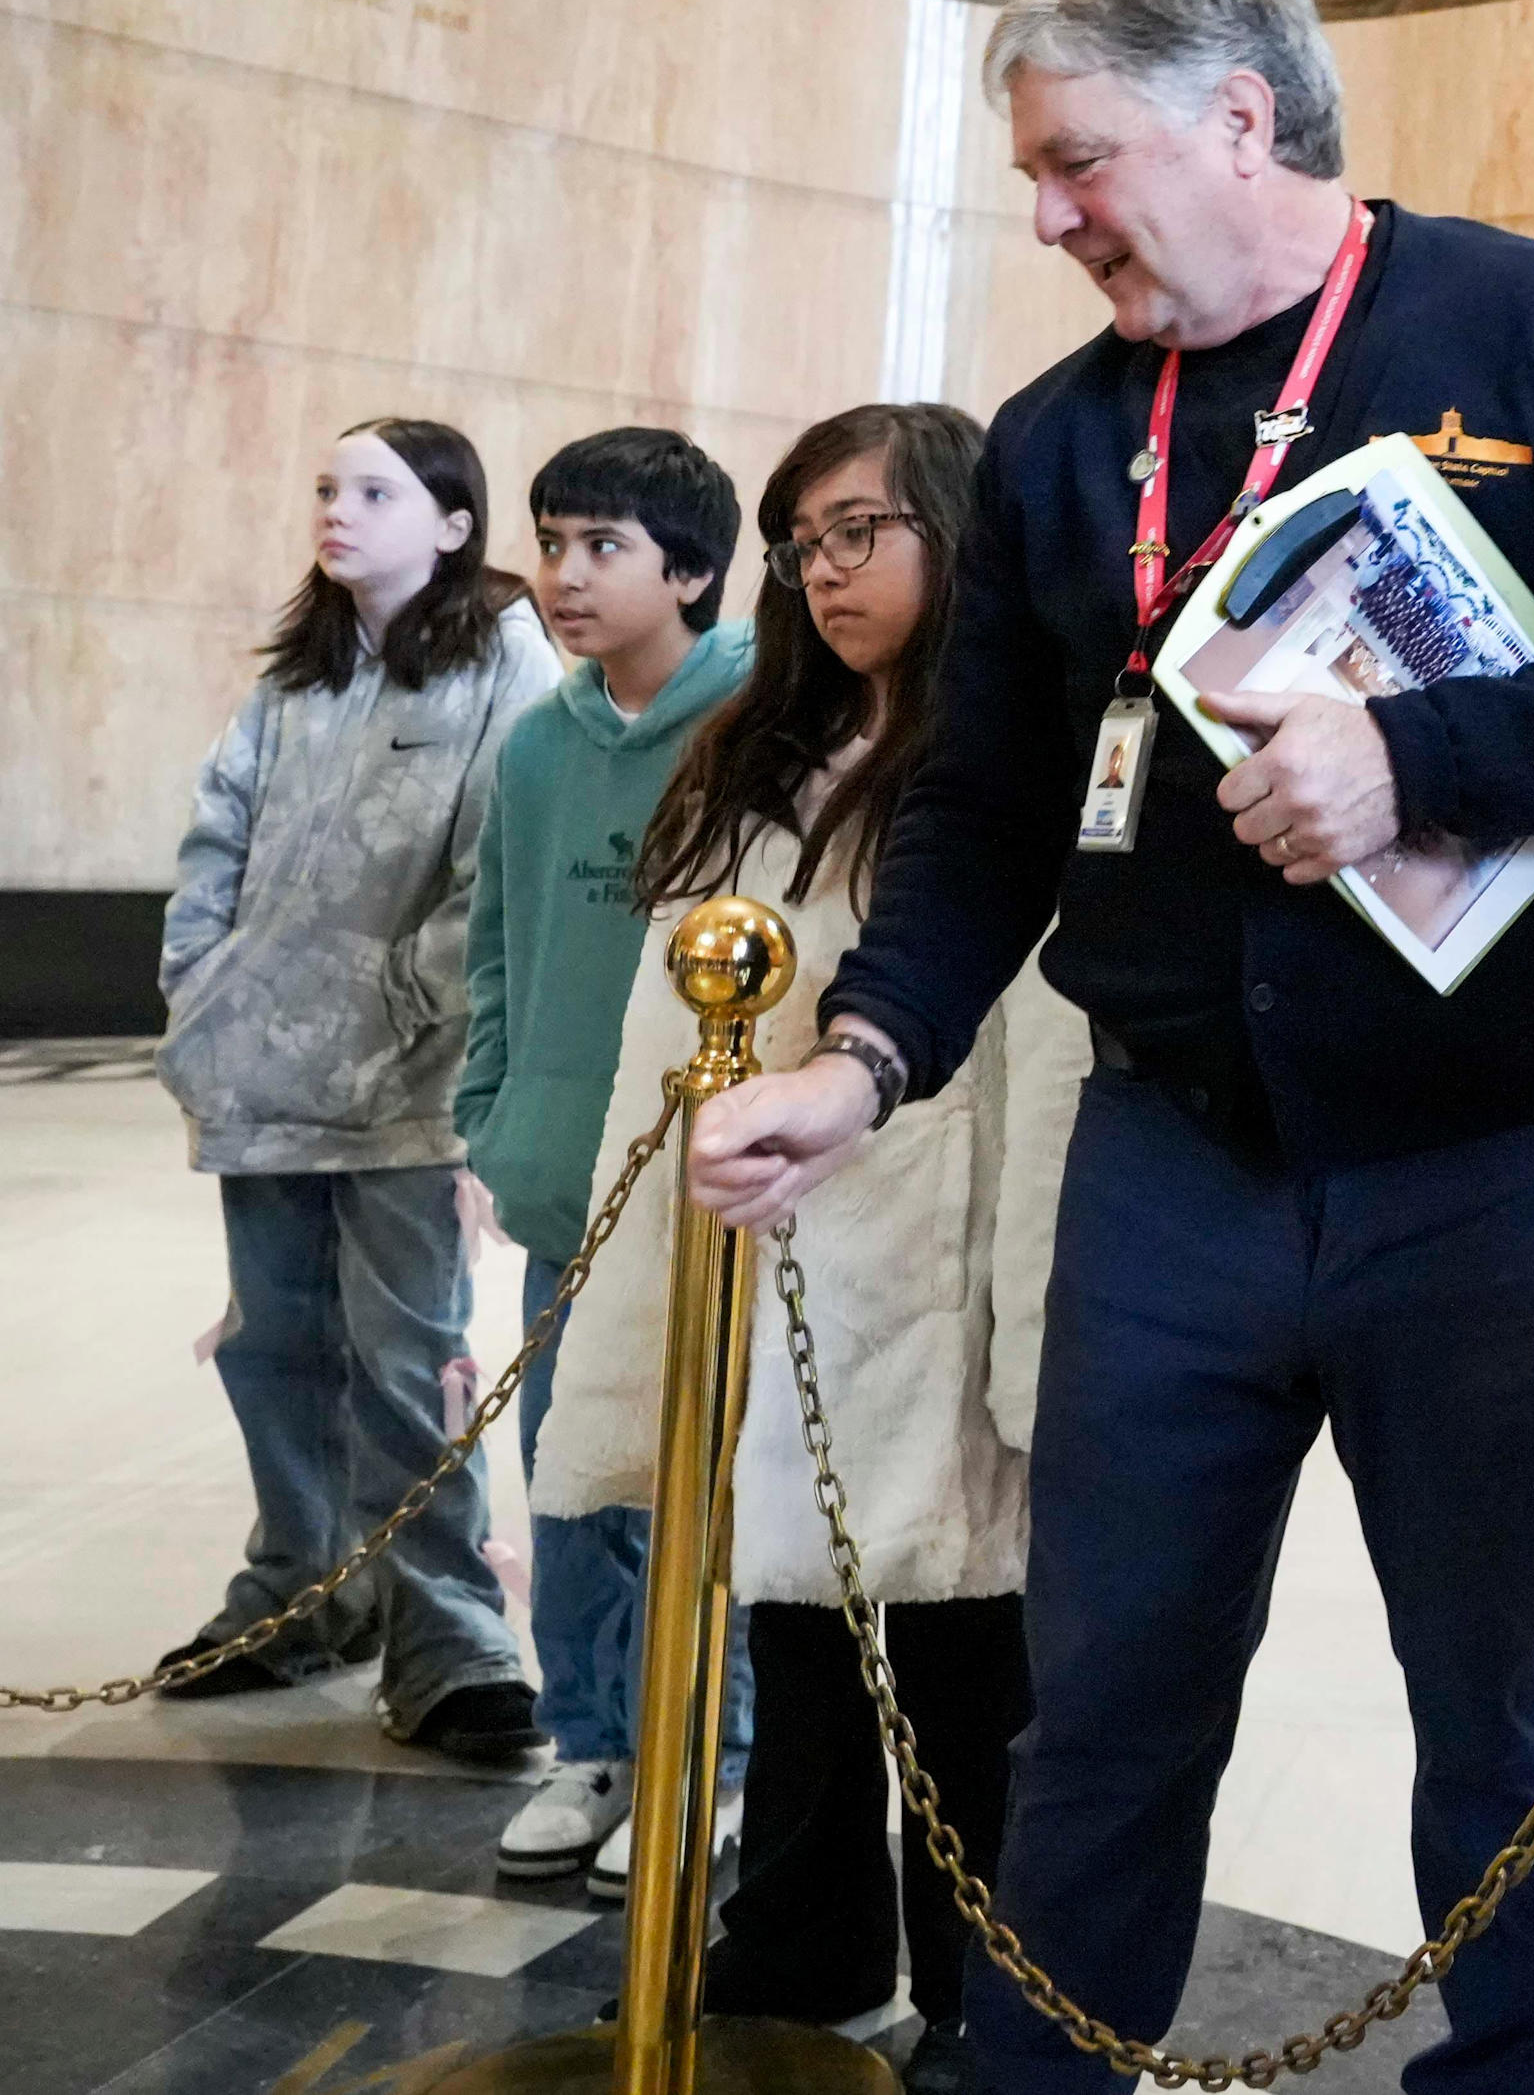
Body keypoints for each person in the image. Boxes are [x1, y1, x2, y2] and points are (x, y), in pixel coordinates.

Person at [673, 0, 1534, 2095]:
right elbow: (988, 808)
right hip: (1173, 1161)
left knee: (1493, 1691)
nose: (1048, 214)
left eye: (1079, 161)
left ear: (1239, 119)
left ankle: (1500, 2075)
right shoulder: (1056, 436)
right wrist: (860, 1058)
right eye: (1028, 173)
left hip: (1478, 1163)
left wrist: (1426, 756)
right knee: (1104, 1699)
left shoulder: (1530, 327)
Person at [535, 403, 1082, 2095]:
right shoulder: (765, 754)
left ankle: (983, 1988)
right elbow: (668, 1030)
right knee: (795, 1623)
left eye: (864, 531)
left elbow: (1037, 1043)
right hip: (774, 1263)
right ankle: (807, 1940)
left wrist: (1030, 1315)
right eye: (807, 542)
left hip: (938, 1262)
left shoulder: (1016, 757)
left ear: (956, 535)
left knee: (964, 1661)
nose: (828, 572)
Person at [151, 419, 559, 1764]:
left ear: (451, 523)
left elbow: (502, 851)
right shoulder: (298, 676)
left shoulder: (502, 659)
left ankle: (444, 1628)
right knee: (275, 1348)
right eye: (327, 486)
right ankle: (304, 1589)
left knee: (404, 1360)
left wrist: (404, 999)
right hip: (259, 1075)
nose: (337, 511)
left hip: (405, 1088)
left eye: (374, 492)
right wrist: (200, 977)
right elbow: (219, 826)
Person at [460, 429, 753, 1887]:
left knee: (701, 1491)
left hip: (714, 1197)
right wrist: (493, 1123)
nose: (564, 577)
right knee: (569, 1484)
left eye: (604, 547)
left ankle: (714, 1756)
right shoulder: (536, 743)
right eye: (552, 541)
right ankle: (588, 1747)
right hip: (568, 1187)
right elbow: (498, 955)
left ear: (691, 570)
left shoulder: (761, 714)